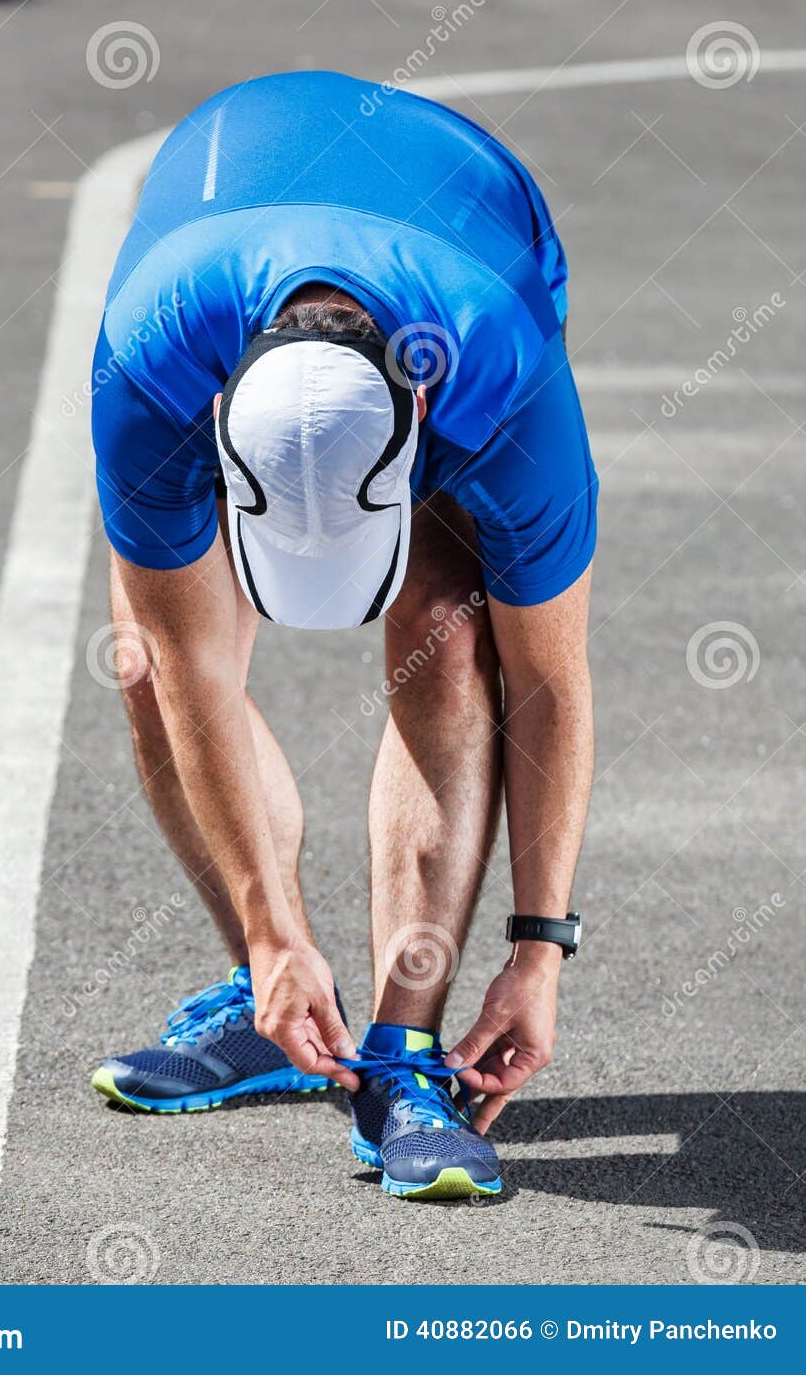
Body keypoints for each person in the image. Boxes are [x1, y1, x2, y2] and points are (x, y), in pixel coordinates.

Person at [88, 70, 597, 1200]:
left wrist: (537, 954)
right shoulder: (150, 362)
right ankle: (266, 989)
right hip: (231, 199)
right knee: (147, 654)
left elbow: (548, 685)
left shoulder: (501, 381)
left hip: (461, 210)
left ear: (421, 428)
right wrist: (273, 929)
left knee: (449, 631)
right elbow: (192, 666)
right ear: (217, 425)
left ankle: (402, 1052)